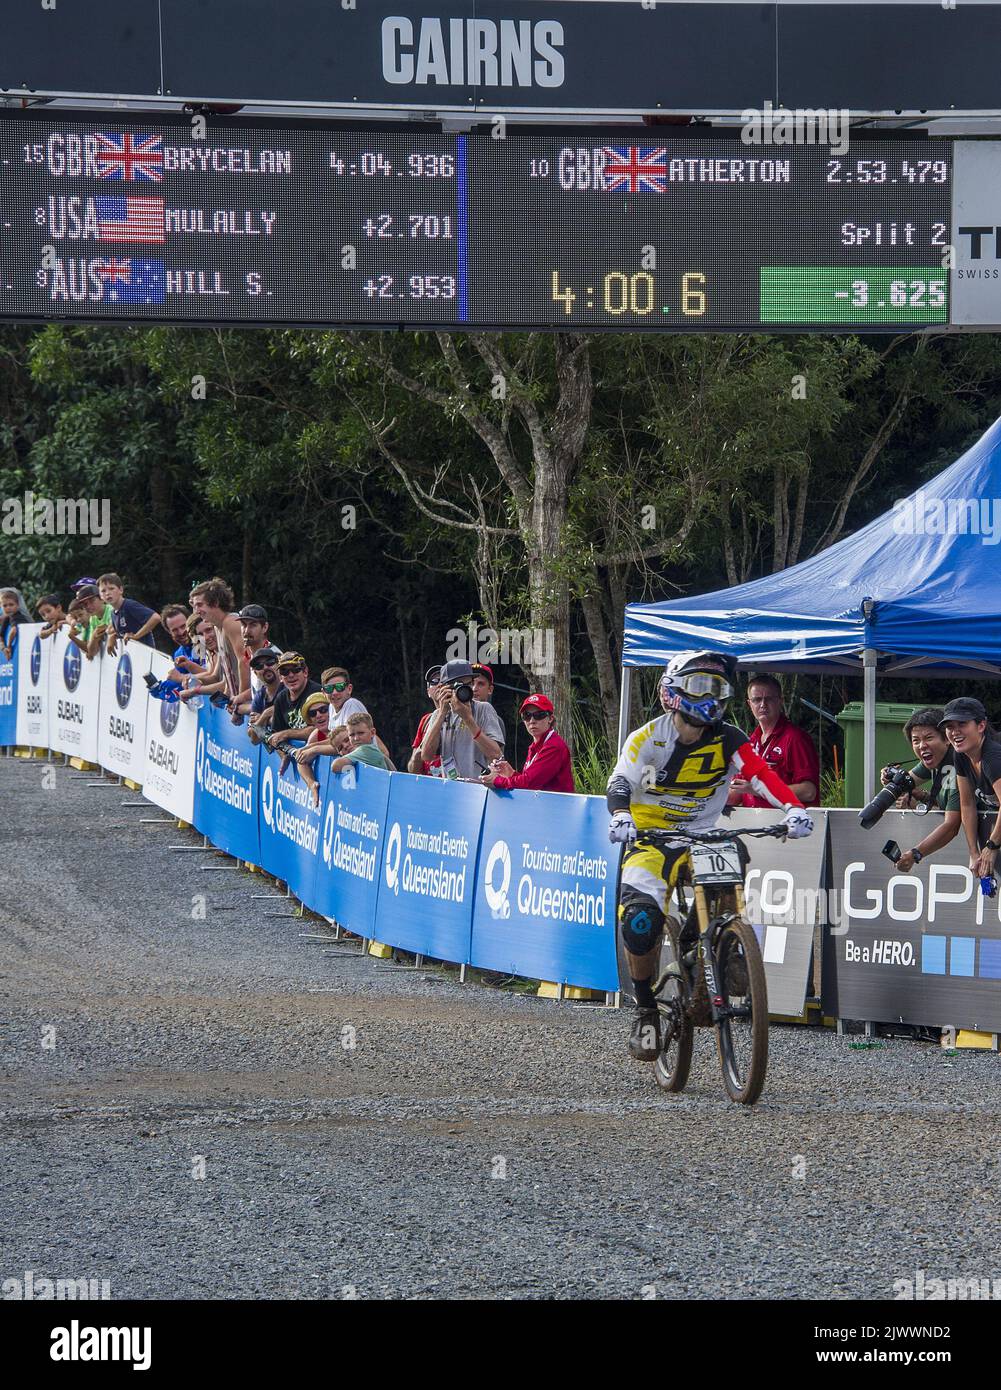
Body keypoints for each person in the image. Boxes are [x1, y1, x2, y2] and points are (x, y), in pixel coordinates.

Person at [607, 650, 813, 1063]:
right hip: (651, 834)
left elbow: (761, 774)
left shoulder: (730, 736)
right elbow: (620, 780)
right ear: (672, 693)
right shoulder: (647, 738)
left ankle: (727, 944)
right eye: (701, 685)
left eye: (718, 688)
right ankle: (646, 1008)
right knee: (640, 921)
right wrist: (620, 815)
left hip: (703, 832)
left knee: (733, 859)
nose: (711, 697)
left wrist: (793, 808)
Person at [878, 707, 961, 872]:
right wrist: (890, 779)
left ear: (946, 738)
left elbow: (952, 825)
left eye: (929, 737)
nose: (922, 745)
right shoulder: (932, 761)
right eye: (916, 741)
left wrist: (915, 854)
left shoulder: (961, 765)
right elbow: (902, 784)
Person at [727, 672, 819, 808]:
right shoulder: (749, 742)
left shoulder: (794, 739)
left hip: (786, 824)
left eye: (769, 699)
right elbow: (735, 795)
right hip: (753, 824)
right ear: (749, 704)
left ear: (780, 701)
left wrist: (759, 789)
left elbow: (809, 791)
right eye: (757, 700)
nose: (763, 704)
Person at [941, 698, 1001, 882]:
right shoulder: (960, 755)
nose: (955, 732)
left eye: (962, 724)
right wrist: (974, 852)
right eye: (949, 726)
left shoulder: (993, 758)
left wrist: (991, 846)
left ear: (981, 725)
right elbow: (966, 804)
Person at [416, 657, 504, 779]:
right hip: (450, 788)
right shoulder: (437, 715)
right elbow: (426, 756)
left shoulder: (483, 709)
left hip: (478, 788)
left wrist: (468, 718)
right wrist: (442, 713)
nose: (461, 689)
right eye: (455, 685)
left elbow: (496, 754)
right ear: (443, 687)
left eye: (466, 684)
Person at [480, 694, 574, 793]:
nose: (532, 721)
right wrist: (511, 774)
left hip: (558, 807)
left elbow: (529, 784)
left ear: (550, 719)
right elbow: (531, 781)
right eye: (527, 716)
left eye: (539, 715)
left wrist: (496, 781)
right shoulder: (536, 745)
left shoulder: (553, 746)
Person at [189, 578, 249, 713]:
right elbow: (228, 673)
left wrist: (241, 698)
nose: (196, 611)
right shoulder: (218, 627)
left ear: (215, 603)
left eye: (199, 605)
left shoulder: (231, 623)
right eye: (194, 606)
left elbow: (244, 661)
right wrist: (228, 695)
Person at [262, 652, 321, 754]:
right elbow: (276, 736)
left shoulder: (317, 693)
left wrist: (287, 734)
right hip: (296, 756)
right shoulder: (281, 698)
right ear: (280, 677)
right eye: (284, 672)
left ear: (305, 672)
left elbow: (320, 730)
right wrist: (284, 755)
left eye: (296, 669)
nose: (291, 675)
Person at [99, 573, 161, 654]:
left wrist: (136, 636)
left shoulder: (129, 605)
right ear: (101, 597)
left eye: (111, 588)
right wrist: (113, 636)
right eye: (103, 591)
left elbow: (155, 618)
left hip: (146, 655)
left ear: (121, 590)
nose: (107, 593)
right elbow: (122, 633)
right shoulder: (113, 614)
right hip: (133, 656)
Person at [407, 666, 444, 776]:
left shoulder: (463, 716)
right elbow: (412, 770)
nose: (439, 684)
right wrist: (420, 753)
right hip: (430, 786)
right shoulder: (426, 720)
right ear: (428, 692)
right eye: (434, 682)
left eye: (444, 680)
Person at [245, 645, 283, 743]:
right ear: (256, 673)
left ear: (278, 665)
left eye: (270, 663)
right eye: (259, 666)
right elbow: (254, 739)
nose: (265, 668)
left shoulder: (289, 689)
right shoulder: (259, 697)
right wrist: (264, 717)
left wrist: (261, 721)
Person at [1, 588, 31, 659]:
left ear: (18, 605)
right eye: (5, 606)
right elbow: (1, 635)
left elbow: (13, 631)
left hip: (25, 650)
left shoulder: (17, 616)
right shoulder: (7, 617)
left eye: (11, 605)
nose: (8, 608)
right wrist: (3, 648)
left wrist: (8, 646)